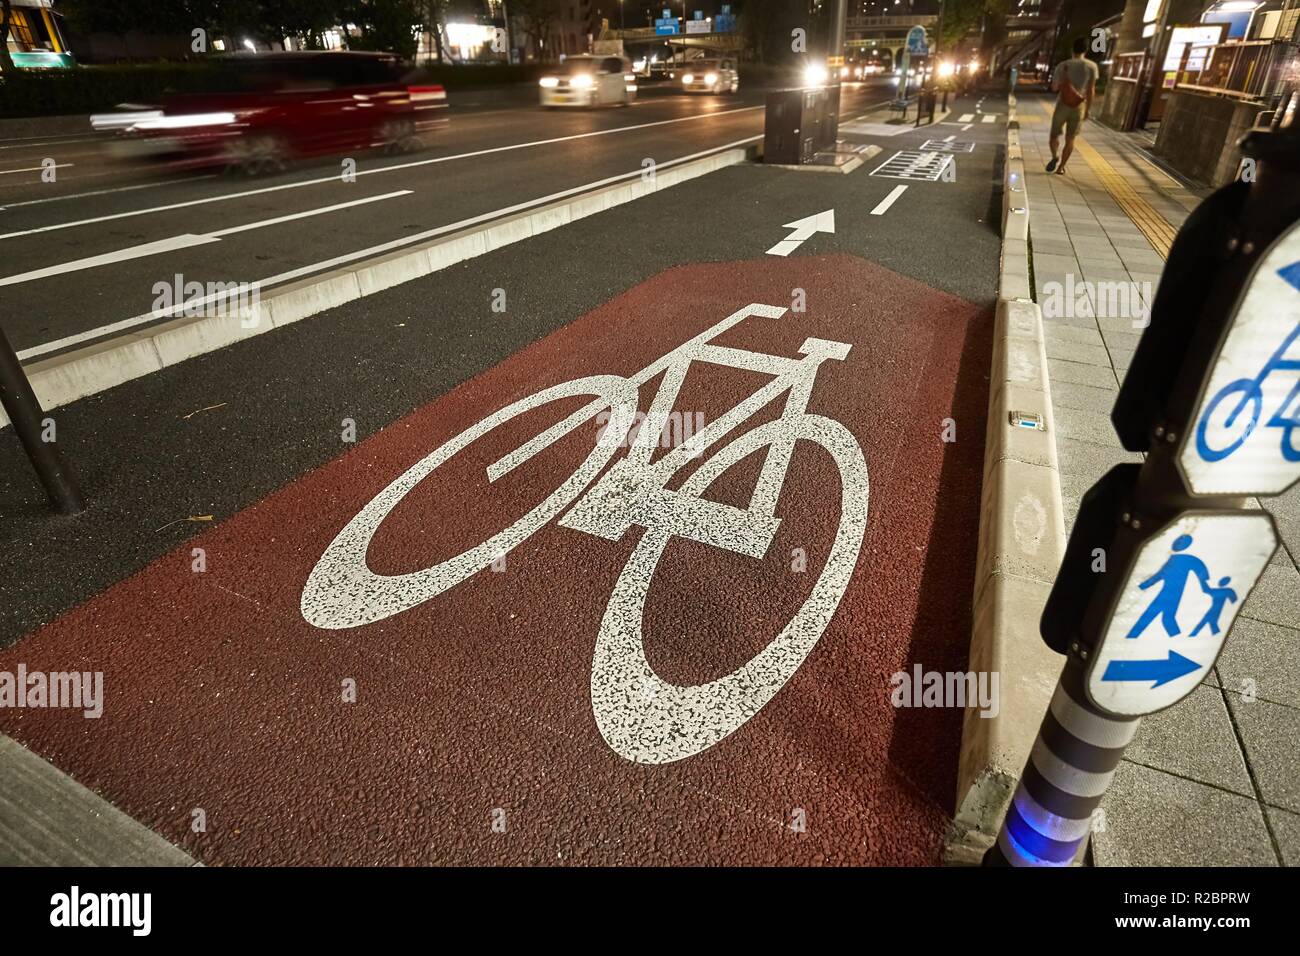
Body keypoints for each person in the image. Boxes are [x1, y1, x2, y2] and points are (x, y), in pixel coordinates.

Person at [1045, 37, 1099, 176]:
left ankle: (1054, 156)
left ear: (1072, 49)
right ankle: (1061, 167)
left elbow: (1054, 87)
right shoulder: (1092, 66)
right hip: (1079, 106)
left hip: (1062, 104)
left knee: (1054, 135)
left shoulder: (1063, 65)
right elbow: (1091, 90)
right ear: (1086, 50)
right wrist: (1088, 109)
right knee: (1071, 138)